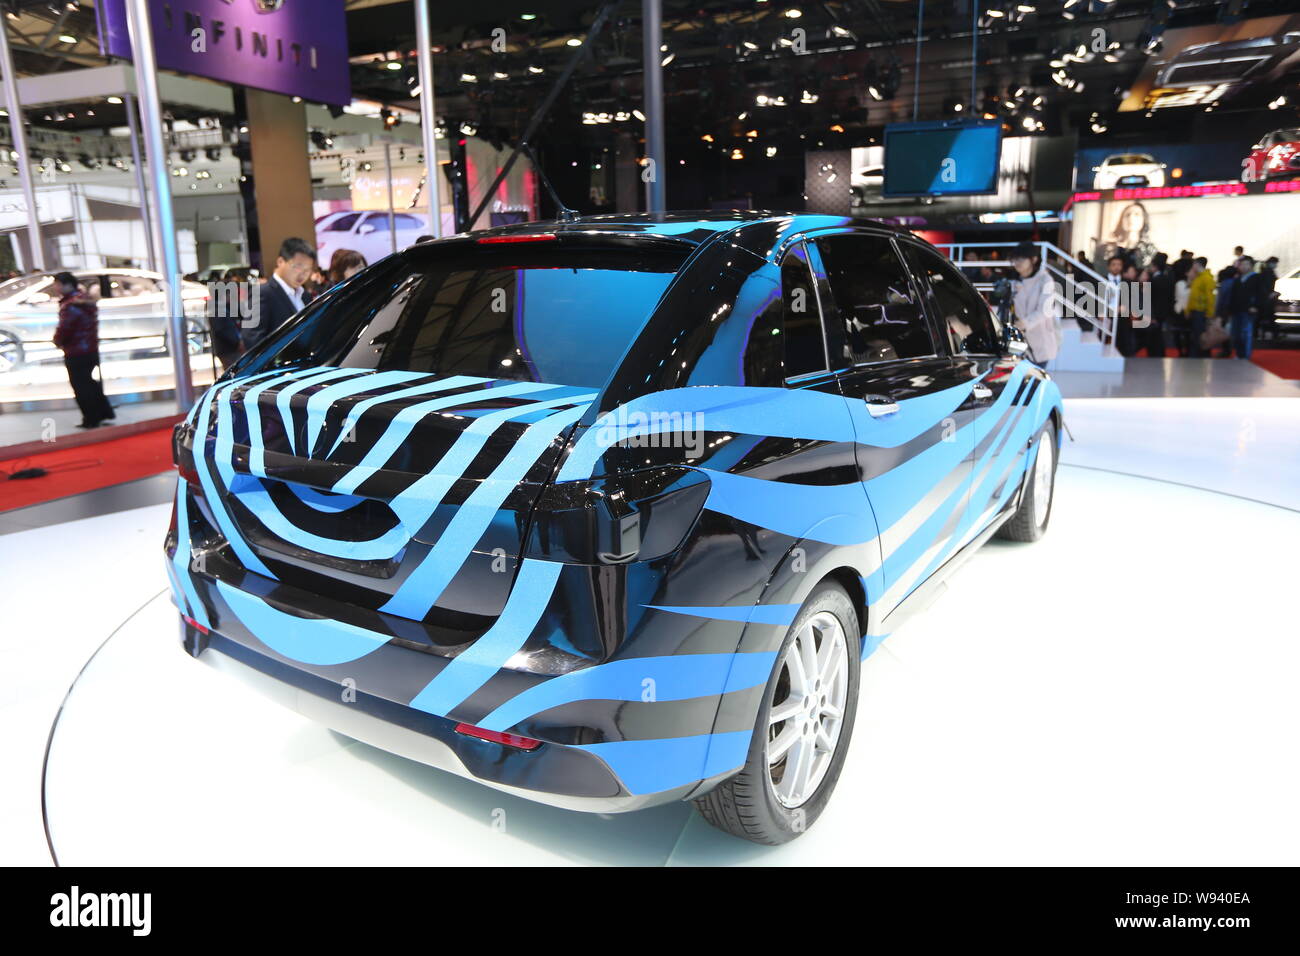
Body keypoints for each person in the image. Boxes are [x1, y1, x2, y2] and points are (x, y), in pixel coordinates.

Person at [51, 271, 114, 428]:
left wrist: (57, 341)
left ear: (68, 285)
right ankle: (103, 412)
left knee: (81, 386)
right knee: (89, 383)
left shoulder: (70, 305)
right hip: (90, 349)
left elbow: (65, 328)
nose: (56, 288)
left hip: (76, 351)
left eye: (58, 284)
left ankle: (91, 418)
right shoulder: (85, 301)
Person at [245, 237, 315, 350]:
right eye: (298, 267)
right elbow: (251, 338)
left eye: (308, 269)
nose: (303, 274)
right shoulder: (261, 293)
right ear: (280, 262)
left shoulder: (305, 296)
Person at [1009, 241, 1059, 363]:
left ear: (1034, 259)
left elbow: (1044, 311)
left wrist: (1024, 323)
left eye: (1021, 259)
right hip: (1019, 343)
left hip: (1040, 341)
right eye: (1015, 259)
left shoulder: (1046, 280)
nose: (1017, 263)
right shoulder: (1014, 282)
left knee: (1035, 378)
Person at [1225, 255, 1260, 360]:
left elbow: (1260, 294)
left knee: (1246, 333)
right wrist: (1230, 309)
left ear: (1251, 266)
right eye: (1242, 264)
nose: (1243, 267)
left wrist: (1255, 306)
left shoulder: (1256, 278)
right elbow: (1233, 295)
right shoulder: (1238, 279)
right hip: (1236, 310)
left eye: (1246, 264)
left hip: (1248, 310)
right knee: (1236, 333)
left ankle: (1245, 355)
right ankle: (1239, 353)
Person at [1185, 257, 1216, 357]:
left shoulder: (1207, 278)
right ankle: (1197, 355)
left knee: (1200, 337)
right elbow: (1192, 296)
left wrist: (1209, 314)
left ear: (1197, 265)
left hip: (1201, 312)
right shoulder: (1197, 278)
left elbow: (1210, 297)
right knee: (1195, 336)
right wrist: (1188, 310)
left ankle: (1200, 355)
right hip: (1195, 311)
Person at [1146, 252, 1174, 358]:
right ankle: (1160, 353)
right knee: (1159, 334)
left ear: (1155, 266)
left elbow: (1150, 298)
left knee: (1154, 335)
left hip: (1154, 311)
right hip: (1164, 311)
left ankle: (1155, 353)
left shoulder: (1153, 280)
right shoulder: (1169, 279)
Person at [1256, 256, 1279, 342]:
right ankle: (1274, 334)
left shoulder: (1265, 271)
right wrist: (1270, 294)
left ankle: (1260, 334)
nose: (1275, 265)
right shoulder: (1268, 272)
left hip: (1265, 298)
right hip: (1267, 299)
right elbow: (1266, 286)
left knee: (1262, 317)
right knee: (1268, 316)